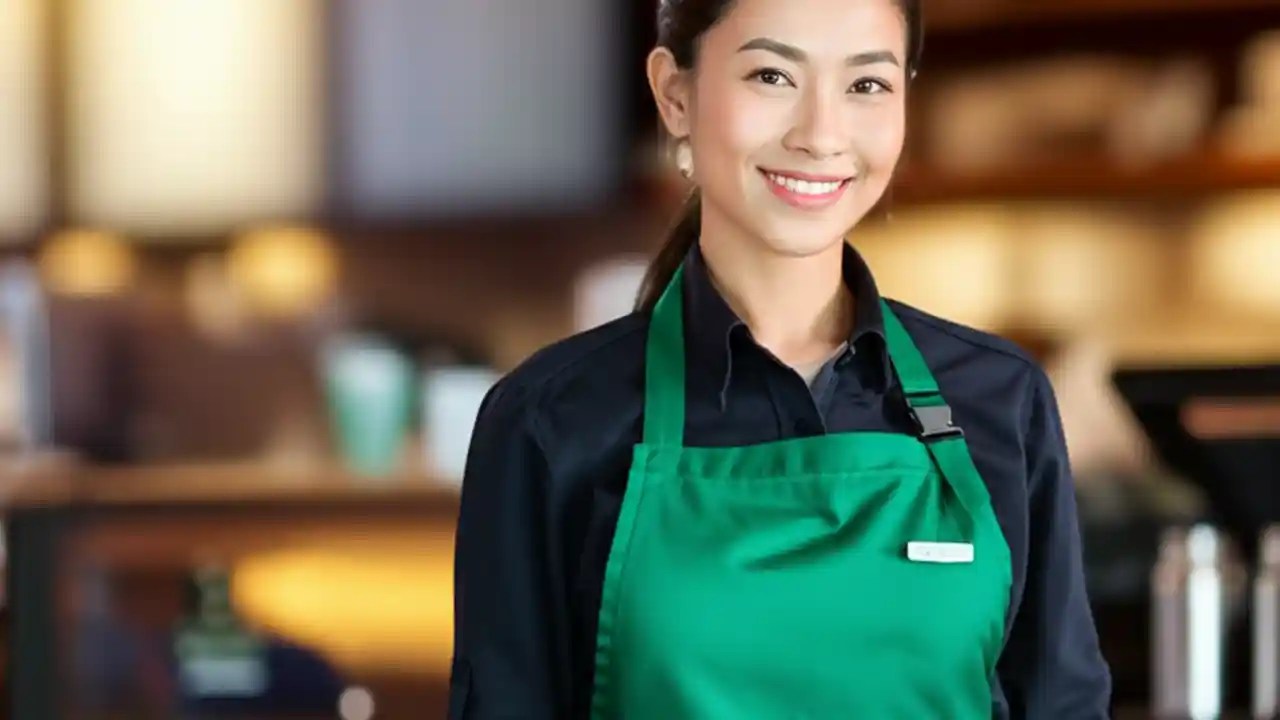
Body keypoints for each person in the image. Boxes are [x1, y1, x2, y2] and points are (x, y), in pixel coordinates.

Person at [449, 0, 1112, 717]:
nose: (821, 135)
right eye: (772, 75)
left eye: (866, 85)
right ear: (676, 96)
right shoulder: (549, 421)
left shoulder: (1002, 400)